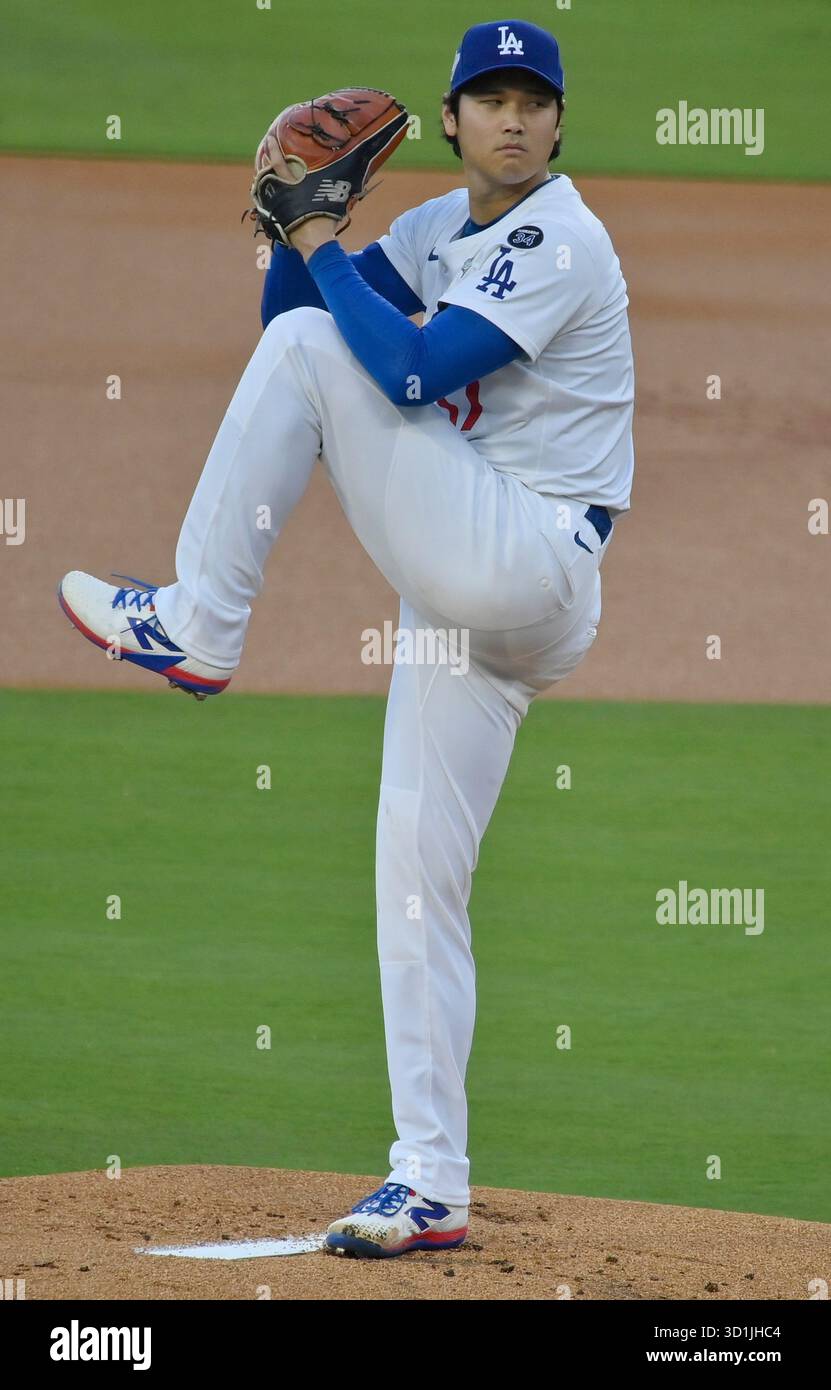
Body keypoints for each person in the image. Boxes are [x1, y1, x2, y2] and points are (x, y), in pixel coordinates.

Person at [58, 19, 634, 1259]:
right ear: (452, 118)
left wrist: (320, 236)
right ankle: (431, 1180)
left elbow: (414, 374)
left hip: (524, 561)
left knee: (330, 348)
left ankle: (201, 621)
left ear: (560, 124)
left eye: (536, 99)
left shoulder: (560, 236)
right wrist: (287, 224)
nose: (515, 118)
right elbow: (293, 313)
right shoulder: (431, 233)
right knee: (415, 888)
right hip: (462, 597)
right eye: (492, 98)